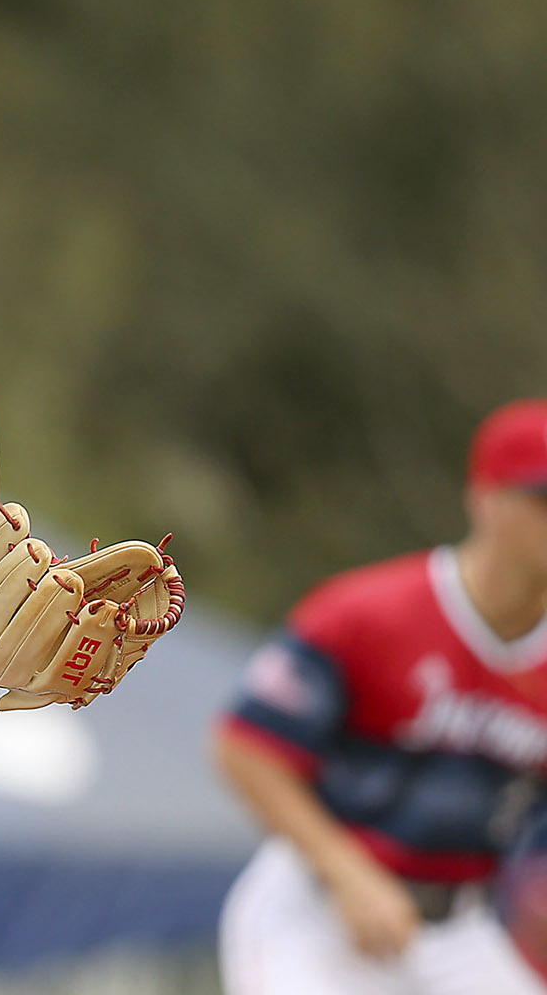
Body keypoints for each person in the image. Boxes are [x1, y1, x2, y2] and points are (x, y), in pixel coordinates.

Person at [214, 398, 547, 994]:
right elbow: (247, 749)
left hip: (461, 927)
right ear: (486, 498)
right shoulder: (369, 613)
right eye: (543, 500)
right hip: (319, 908)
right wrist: (347, 872)